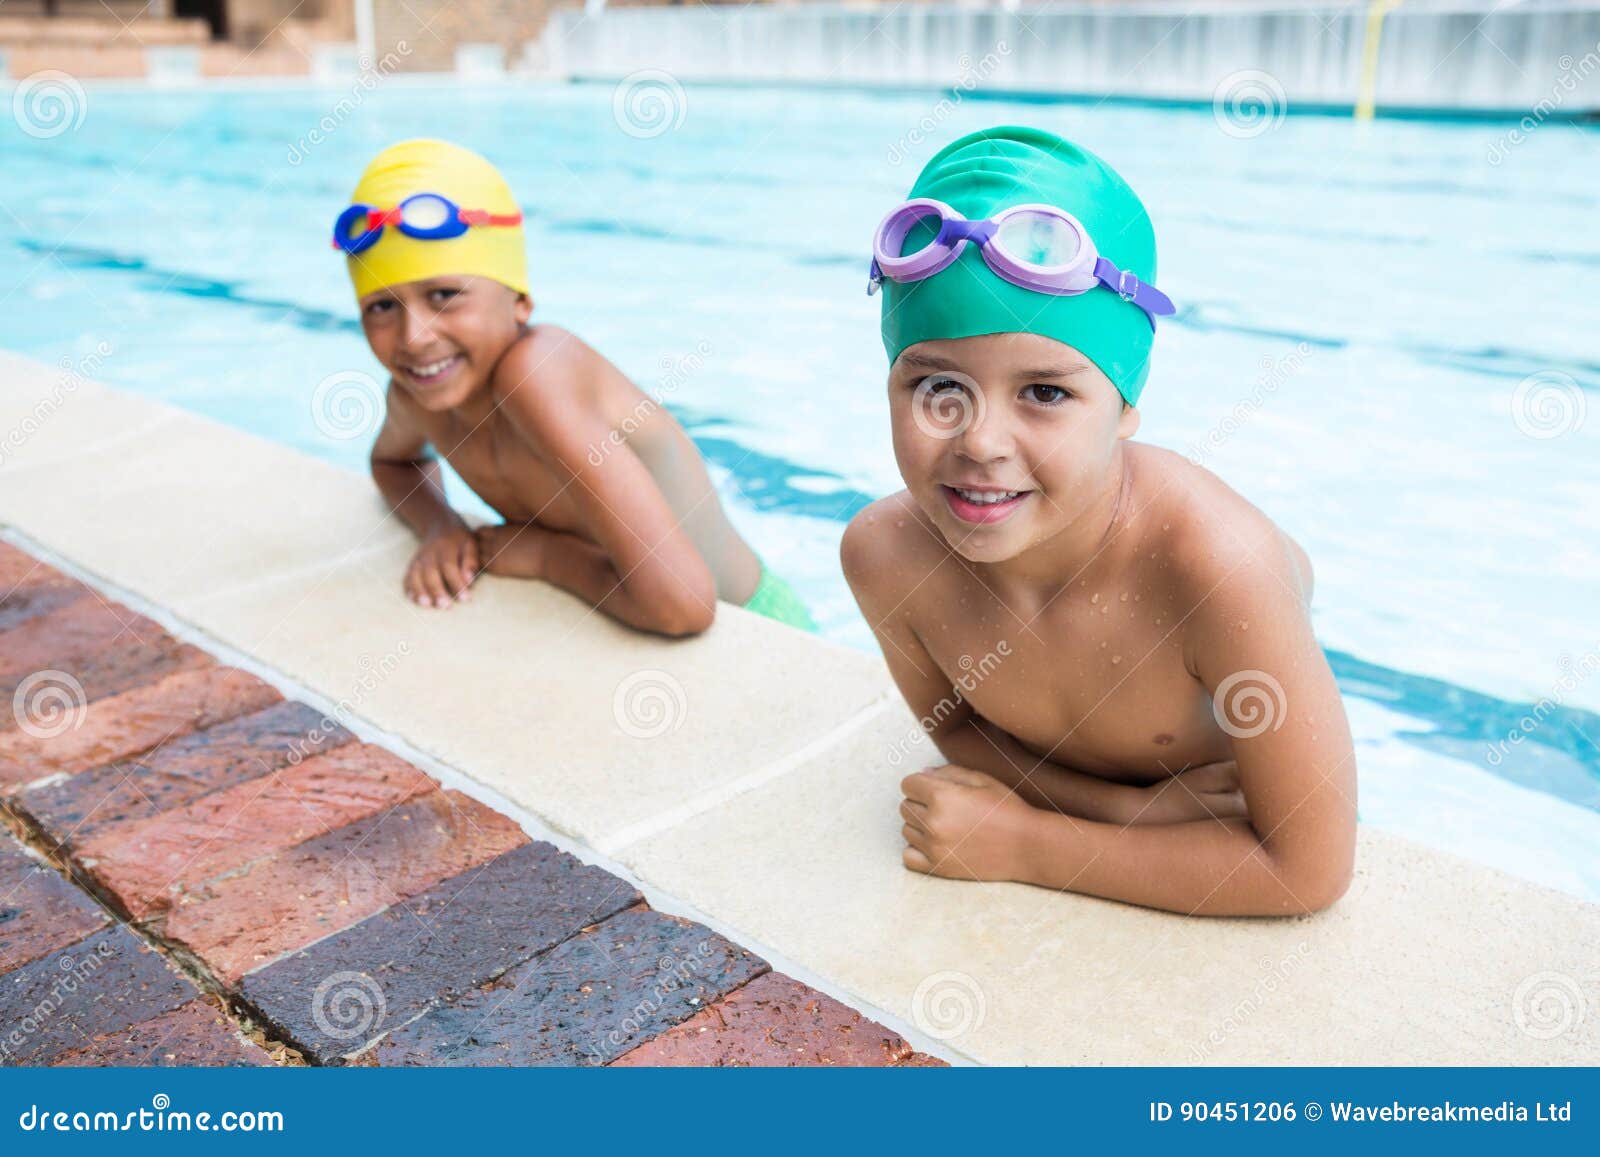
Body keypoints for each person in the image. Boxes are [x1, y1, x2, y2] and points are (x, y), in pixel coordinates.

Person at [841, 126, 1355, 915]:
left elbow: (1306, 871)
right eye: (937, 385)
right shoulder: (885, 558)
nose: (980, 440)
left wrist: (1026, 844)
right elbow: (965, 732)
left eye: (1045, 392)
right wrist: (1127, 814)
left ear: (1125, 407)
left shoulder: (1215, 569)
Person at [339, 139, 816, 636]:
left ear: (520, 301)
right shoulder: (415, 398)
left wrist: (549, 557)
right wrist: (440, 526)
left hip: (760, 624)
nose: (415, 337)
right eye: (381, 307)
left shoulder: (538, 372)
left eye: (443, 295)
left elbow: (683, 607)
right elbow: (392, 463)